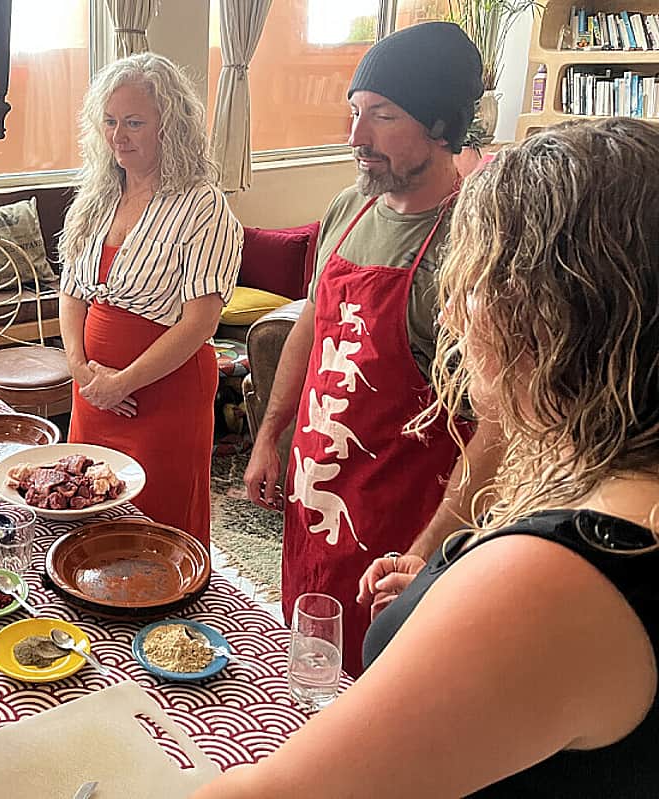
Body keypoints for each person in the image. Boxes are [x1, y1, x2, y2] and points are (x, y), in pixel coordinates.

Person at [196, 115, 659, 799]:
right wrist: (445, 570)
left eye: (473, 281)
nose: (457, 312)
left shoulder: (553, 577)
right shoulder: (617, 496)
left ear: (543, 319)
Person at [242, 22, 503, 675]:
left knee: (386, 679)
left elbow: (500, 424)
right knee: (311, 651)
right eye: (355, 113)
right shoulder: (346, 210)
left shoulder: (474, 244)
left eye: (383, 116)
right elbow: (309, 325)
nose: (356, 138)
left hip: (400, 519)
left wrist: (426, 549)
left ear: (441, 126)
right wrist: (269, 432)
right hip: (318, 494)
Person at [58, 53, 242, 545]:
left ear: (171, 126)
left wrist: (124, 382)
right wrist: (81, 368)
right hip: (94, 391)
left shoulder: (203, 204)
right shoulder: (98, 194)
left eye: (135, 122)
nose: (119, 134)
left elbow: (200, 323)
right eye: (111, 121)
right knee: (86, 514)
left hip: (162, 399)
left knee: (156, 534)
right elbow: (71, 291)